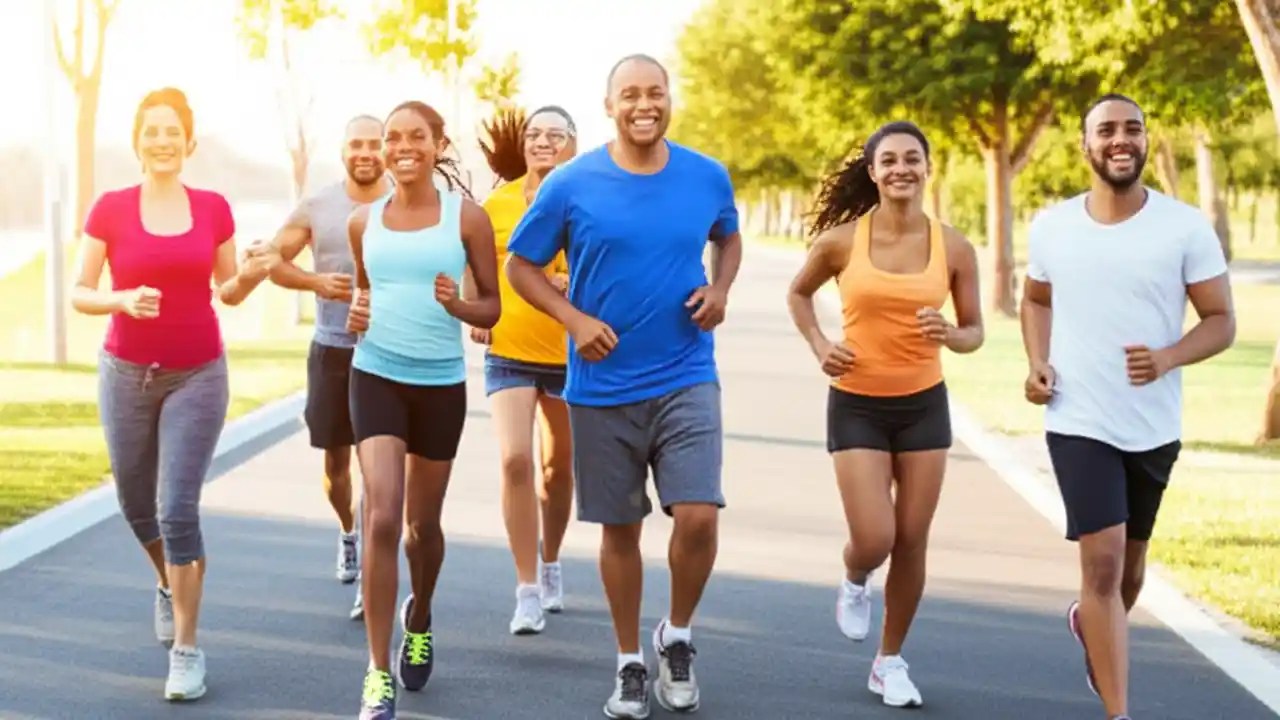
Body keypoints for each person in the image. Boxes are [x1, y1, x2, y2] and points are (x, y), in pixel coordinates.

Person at [506, 54, 742, 720]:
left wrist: (720, 290)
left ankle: (678, 635)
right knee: (621, 529)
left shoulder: (705, 175)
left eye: (656, 92)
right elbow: (521, 267)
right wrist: (575, 321)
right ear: (609, 105)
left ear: (670, 100)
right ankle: (628, 661)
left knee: (697, 514)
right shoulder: (572, 183)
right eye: (630, 94)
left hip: (686, 370)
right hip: (602, 383)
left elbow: (728, 237)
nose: (645, 104)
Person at [1020, 94, 1235, 720]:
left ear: (1144, 141)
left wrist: (1168, 356)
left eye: (1132, 129)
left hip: (1153, 425)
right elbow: (1035, 301)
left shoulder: (1184, 226)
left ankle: (1093, 623)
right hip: (1077, 418)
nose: (1121, 139)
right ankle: (1120, 713)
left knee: (1129, 574)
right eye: (1106, 130)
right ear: (1085, 145)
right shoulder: (1053, 226)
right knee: (1105, 559)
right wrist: (1038, 361)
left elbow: (1221, 321)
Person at [69, 86, 280, 701]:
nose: (162, 141)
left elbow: (228, 290)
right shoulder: (109, 208)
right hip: (124, 372)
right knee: (136, 505)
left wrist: (255, 271)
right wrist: (120, 298)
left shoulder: (213, 207)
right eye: (151, 131)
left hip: (197, 373)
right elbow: (82, 291)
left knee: (176, 509)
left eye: (172, 131)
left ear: (189, 142)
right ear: (138, 142)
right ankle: (169, 581)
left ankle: (187, 648)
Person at [785, 120, 984, 709]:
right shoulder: (843, 241)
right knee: (876, 536)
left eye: (912, 159)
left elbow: (974, 331)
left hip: (924, 403)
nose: (902, 169)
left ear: (928, 168)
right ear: (873, 173)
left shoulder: (955, 247)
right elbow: (798, 294)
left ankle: (889, 661)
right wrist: (822, 346)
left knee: (914, 539)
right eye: (889, 161)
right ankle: (854, 575)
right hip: (857, 402)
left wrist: (950, 333)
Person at [343, 100, 501, 720]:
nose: (402, 146)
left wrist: (457, 307)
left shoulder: (468, 219)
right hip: (375, 374)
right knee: (383, 514)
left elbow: (491, 307)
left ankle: (422, 612)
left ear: (438, 145)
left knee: (421, 531)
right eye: (391, 138)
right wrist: (358, 313)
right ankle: (376, 674)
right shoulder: (363, 222)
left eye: (415, 137)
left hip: (438, 384)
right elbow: (364, 290)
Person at [266, 114, 390, 621]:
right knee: (336, 468)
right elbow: (274, 261)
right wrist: (315, 284)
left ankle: (370, 575)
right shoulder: (318, 205)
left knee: (375, 470)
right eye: (356, 144)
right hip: (332, 349)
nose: (365, 152)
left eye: (374, 144)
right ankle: (347, 532)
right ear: (343, 151)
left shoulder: (401, 202)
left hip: (385, 352)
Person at [469, 104, 578, 635]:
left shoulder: (587, 199)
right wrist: (478, 308)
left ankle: (552, 559)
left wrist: (567, 280)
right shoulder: (499, 202)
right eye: (535, 134)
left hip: (570, 353)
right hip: (509, 348)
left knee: (558, 471)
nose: (542, 142)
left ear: (572, 146)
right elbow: (480, 261)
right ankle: (527, 587)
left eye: (554, 135)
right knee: (515, 461)